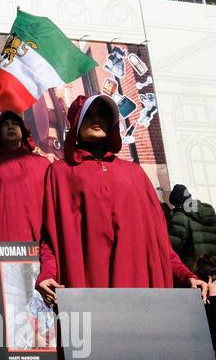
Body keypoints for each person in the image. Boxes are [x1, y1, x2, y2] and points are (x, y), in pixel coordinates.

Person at [37, 95, 204, 303]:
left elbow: (159, 243)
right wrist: (48, 273)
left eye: (103, 115)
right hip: (88, 292)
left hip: (138, 293)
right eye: (89, 115)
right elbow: (50, 237)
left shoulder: (134, 174)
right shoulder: (61, 173)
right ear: (77, 122)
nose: (97, 120)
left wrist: (186, 276)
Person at [0, 110, 50, 307]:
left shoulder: (42, 164)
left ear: (23, 130)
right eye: (6, 124)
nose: (11, 126)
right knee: (10, 306)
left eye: (15, 123)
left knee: (40, 307)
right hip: (5, 247)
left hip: (39, 244)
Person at [166, 184, 216, 272]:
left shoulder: (180, 216)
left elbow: (174, 245)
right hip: (215, 266)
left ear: (176, 203)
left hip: (194, 267)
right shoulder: (208, 214)